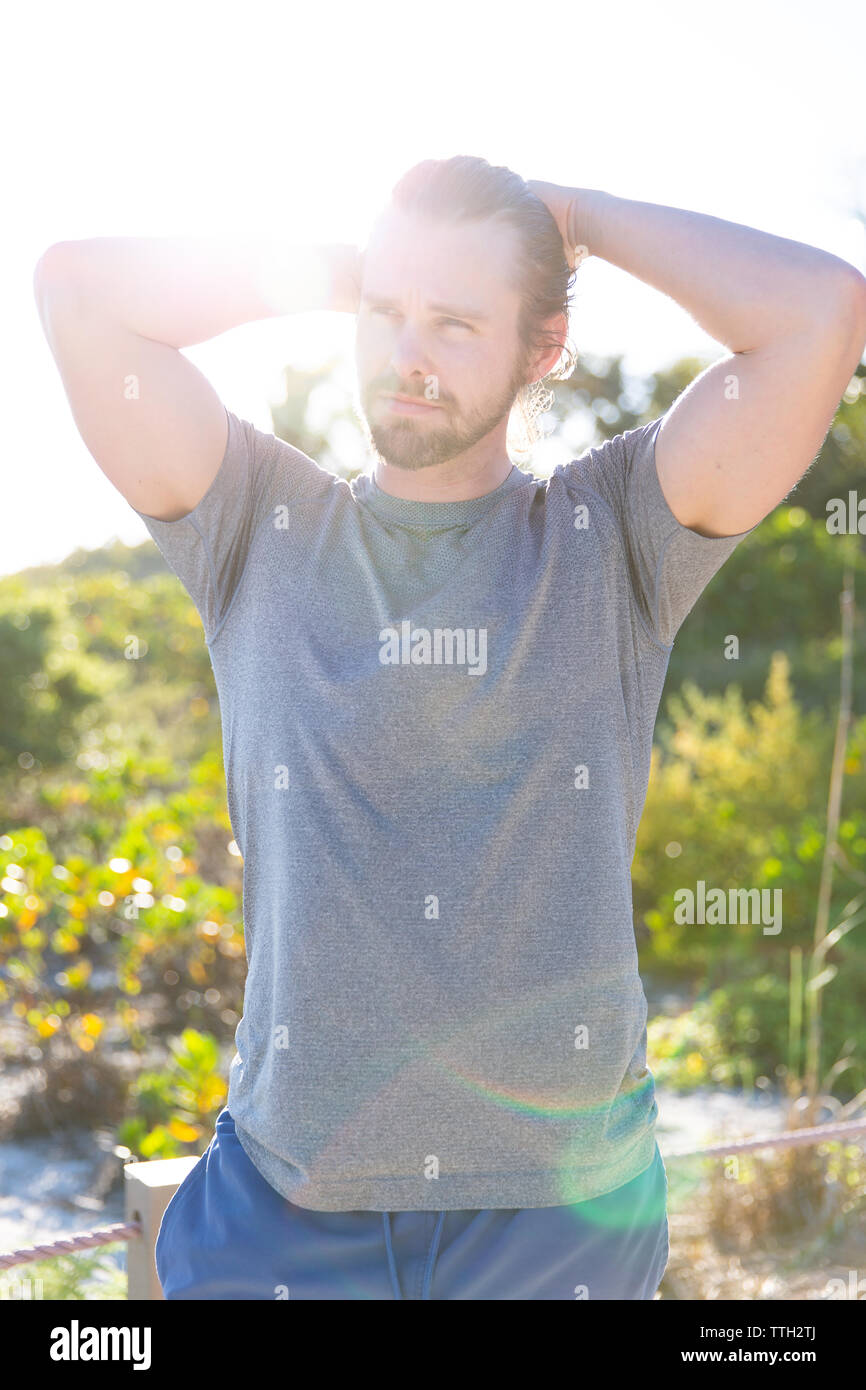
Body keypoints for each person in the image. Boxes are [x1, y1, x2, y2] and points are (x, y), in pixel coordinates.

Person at [33, 156, 866, 1300]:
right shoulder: (254, 524)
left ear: (543, 348)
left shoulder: (615, 532)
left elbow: (818, 312)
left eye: (458, 323)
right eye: (388, 315)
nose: (407, 355)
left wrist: (576, 219)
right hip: (281, 1218)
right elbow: (76, 291)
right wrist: (359, 272)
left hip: (558, 1227)